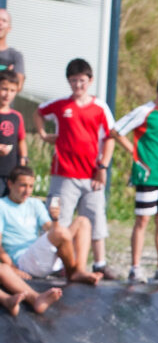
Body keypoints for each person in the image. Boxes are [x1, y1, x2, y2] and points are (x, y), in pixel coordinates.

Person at [34, 58, 118, 279]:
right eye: (73, 81)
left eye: (81, 80)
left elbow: (111, 137)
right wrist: (43, 134)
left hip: (91, 175)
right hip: (64, 173)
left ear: (89, 81)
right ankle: (60, 264)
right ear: (68, 82)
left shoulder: (99, 107)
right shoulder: (61, 105)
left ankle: (100, 264)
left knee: (95, 218)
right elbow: (39, 112)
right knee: (60, 220)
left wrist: (103, 166)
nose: (78, 85)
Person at [111, 72, 158, 284]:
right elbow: (116, 131)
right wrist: (136, 155)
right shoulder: (144, 111)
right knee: (143, 219)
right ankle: (135, 267)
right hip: (147, 175)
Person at [0, 165, 101, 286]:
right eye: (23, 185)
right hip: (22, 261)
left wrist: (55, 219)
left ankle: (79, 270)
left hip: (39, 255)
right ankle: (72, 273)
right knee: (61, 233)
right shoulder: (2, 206)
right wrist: (12, 268)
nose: (27, 191)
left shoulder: (35, 203)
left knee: (82, 221)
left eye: (31, 186)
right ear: (10, 184)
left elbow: (51, 230)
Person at [0, 69, 27, 190]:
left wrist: (23, 160)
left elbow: (21, 140)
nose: (7, 94)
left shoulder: (17, 116)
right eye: (4, 89)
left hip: (11, 174)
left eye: (12, 90)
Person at [0, 9, 25, 91]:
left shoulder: (16, 57)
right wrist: (8, 75)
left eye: (4, 20)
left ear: (9, 28)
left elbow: (19, 86)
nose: (0, 23)